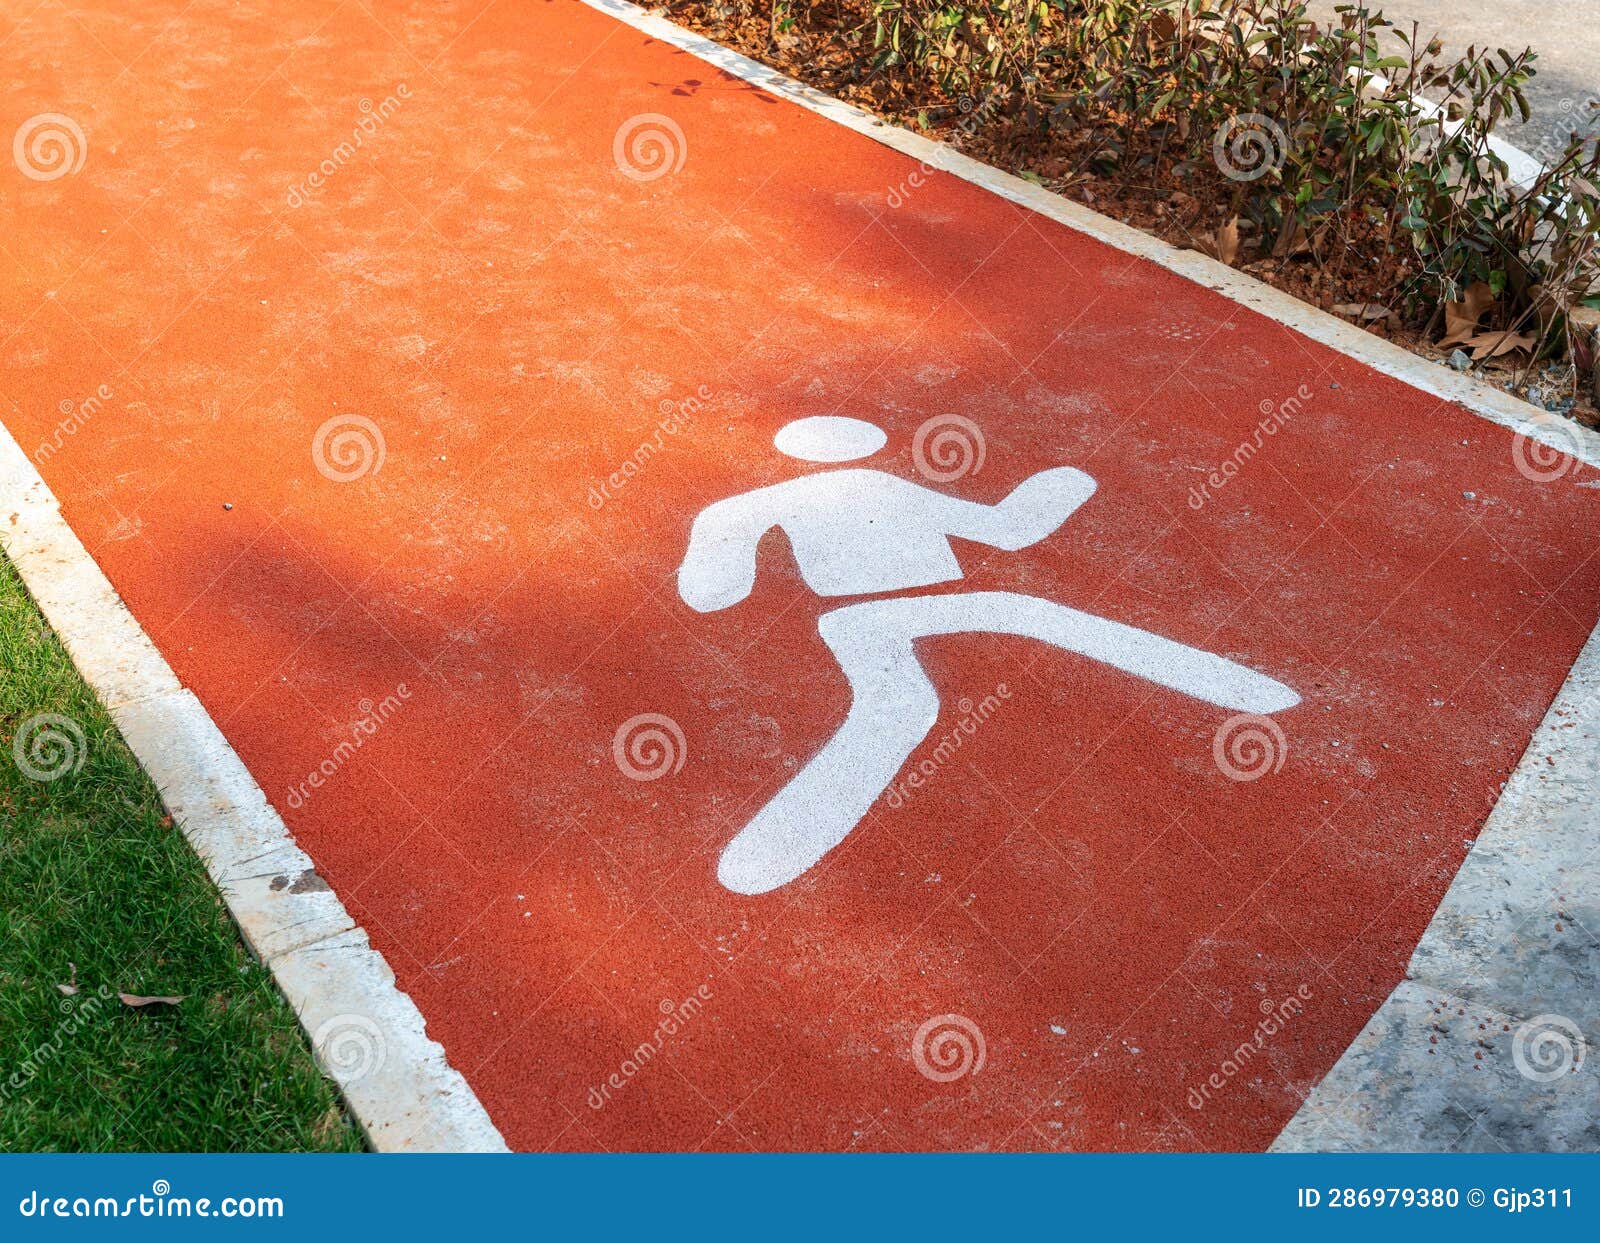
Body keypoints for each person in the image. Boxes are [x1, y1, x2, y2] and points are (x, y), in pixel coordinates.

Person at [678, 416, 1299, 895]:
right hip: (907, 607)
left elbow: (715, 574)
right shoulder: (866, 486)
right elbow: (1009, 528)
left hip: (866, 613)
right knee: (1027, 626)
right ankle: (1236, 687)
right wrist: (1056, 491)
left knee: (902, 703)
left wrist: (717, 581)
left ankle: (777, 845)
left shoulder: (767, 501)